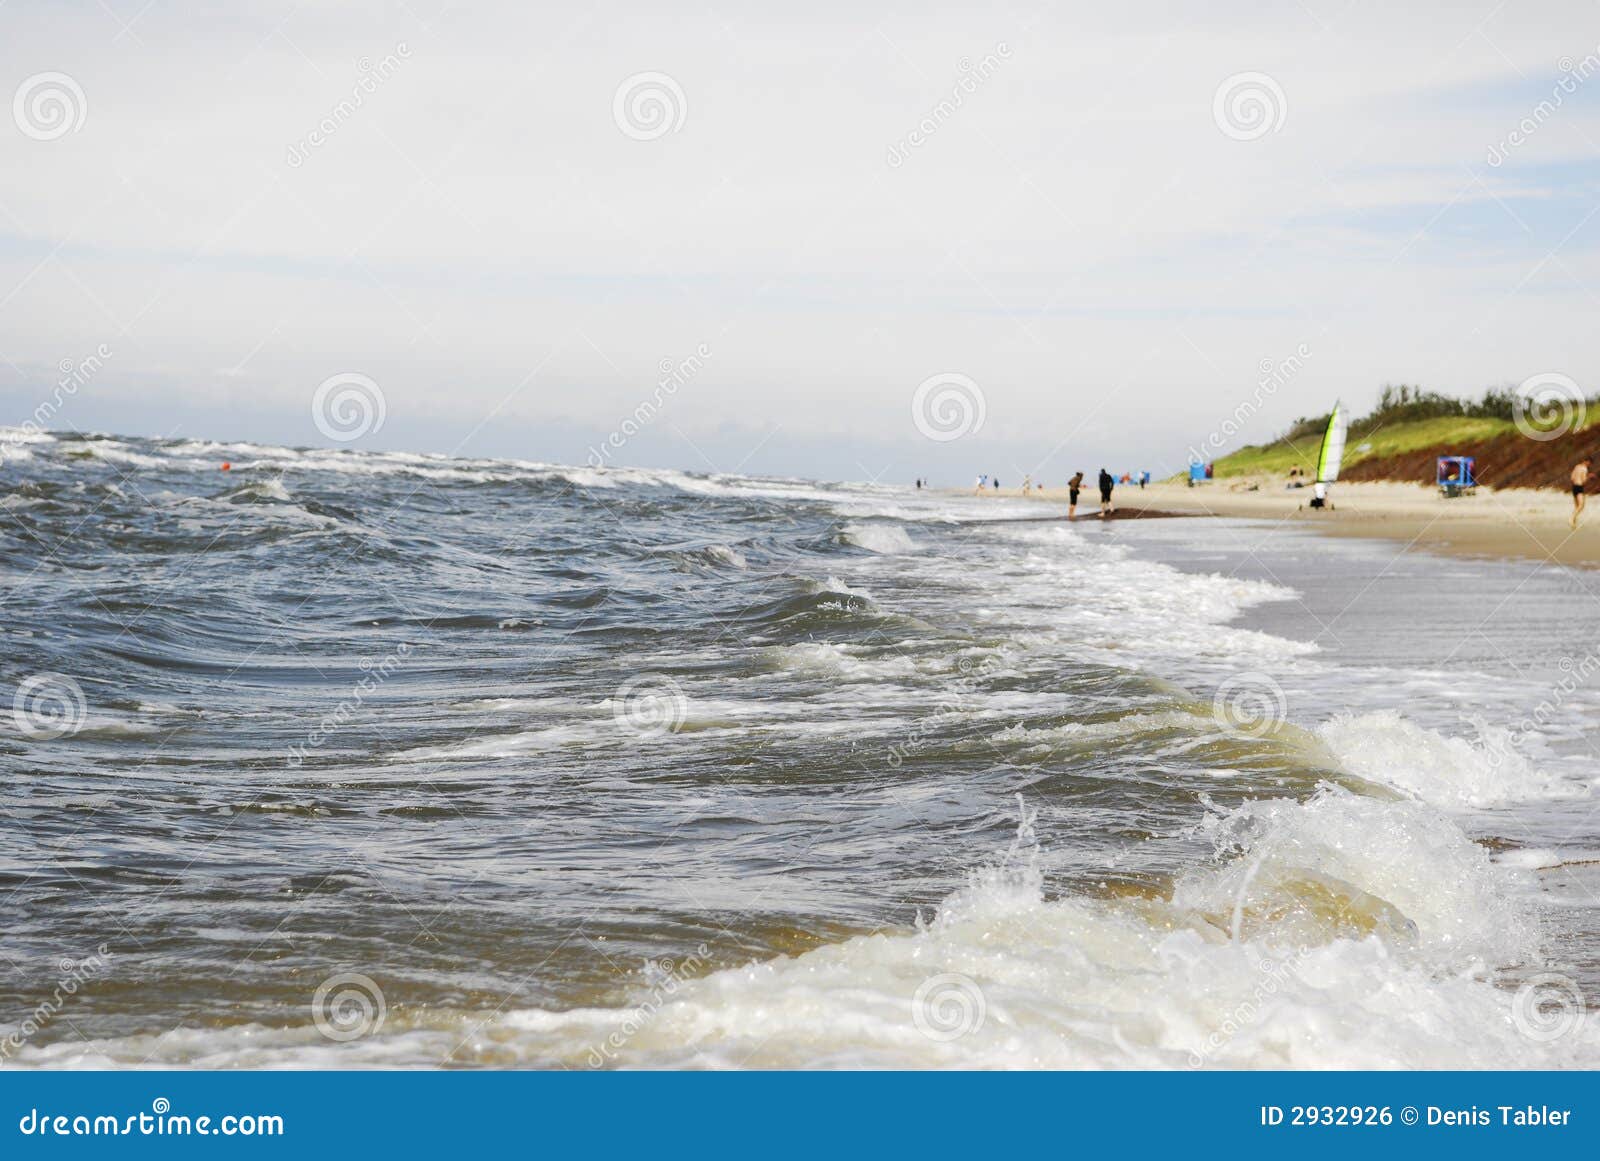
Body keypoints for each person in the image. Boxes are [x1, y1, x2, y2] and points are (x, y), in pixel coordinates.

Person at [1572, 458, 1590, 529]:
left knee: (1576, 506)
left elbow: (1572, 478)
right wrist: (1588, 477)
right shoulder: (1584, 469)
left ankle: (1574, 523)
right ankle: (1571, 519)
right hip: (1579, 487)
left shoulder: (1577, 467)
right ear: (1587, 462)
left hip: (1574, 487)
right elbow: (1583, 480)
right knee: (1581, 505)